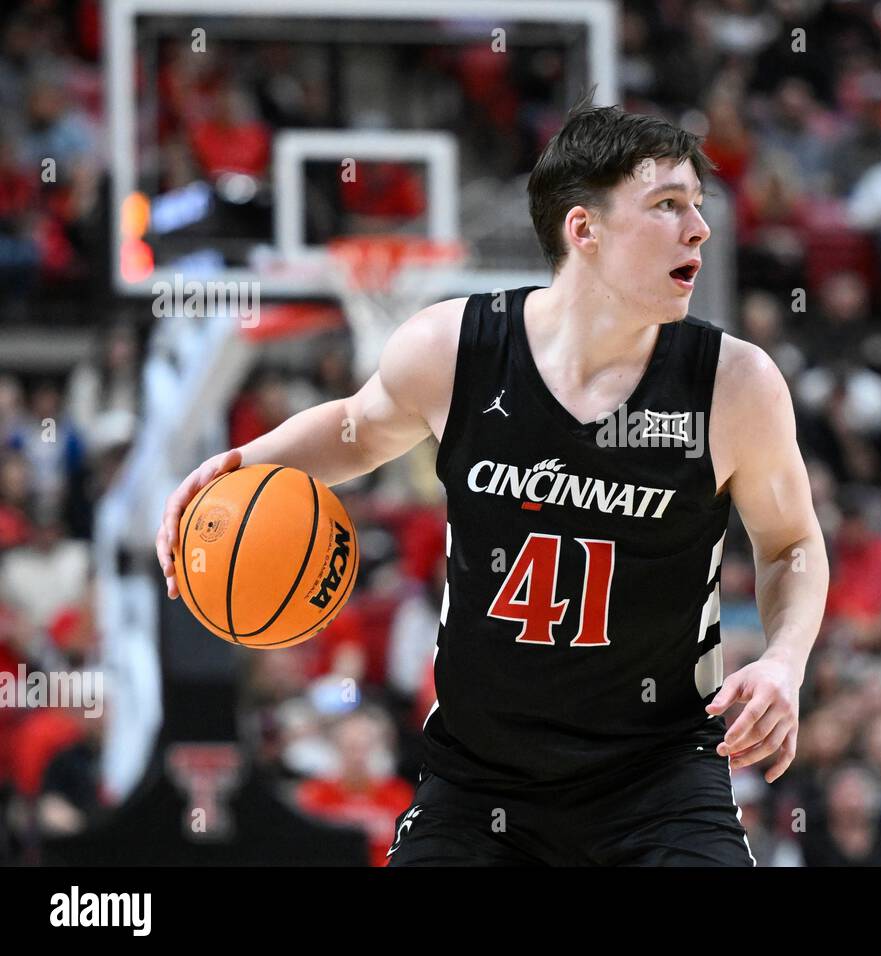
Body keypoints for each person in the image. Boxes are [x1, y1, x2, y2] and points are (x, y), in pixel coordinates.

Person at [155, 94, 828, 866]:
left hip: (659, 779)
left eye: (697, 206)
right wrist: (245, 461)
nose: (699, 228)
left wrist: (784, 661)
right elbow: (357, 428)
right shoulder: (456, 346)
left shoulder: (734, 384)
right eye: (668, 206)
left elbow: (792, 544)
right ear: (585, 230)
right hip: (480, 786)